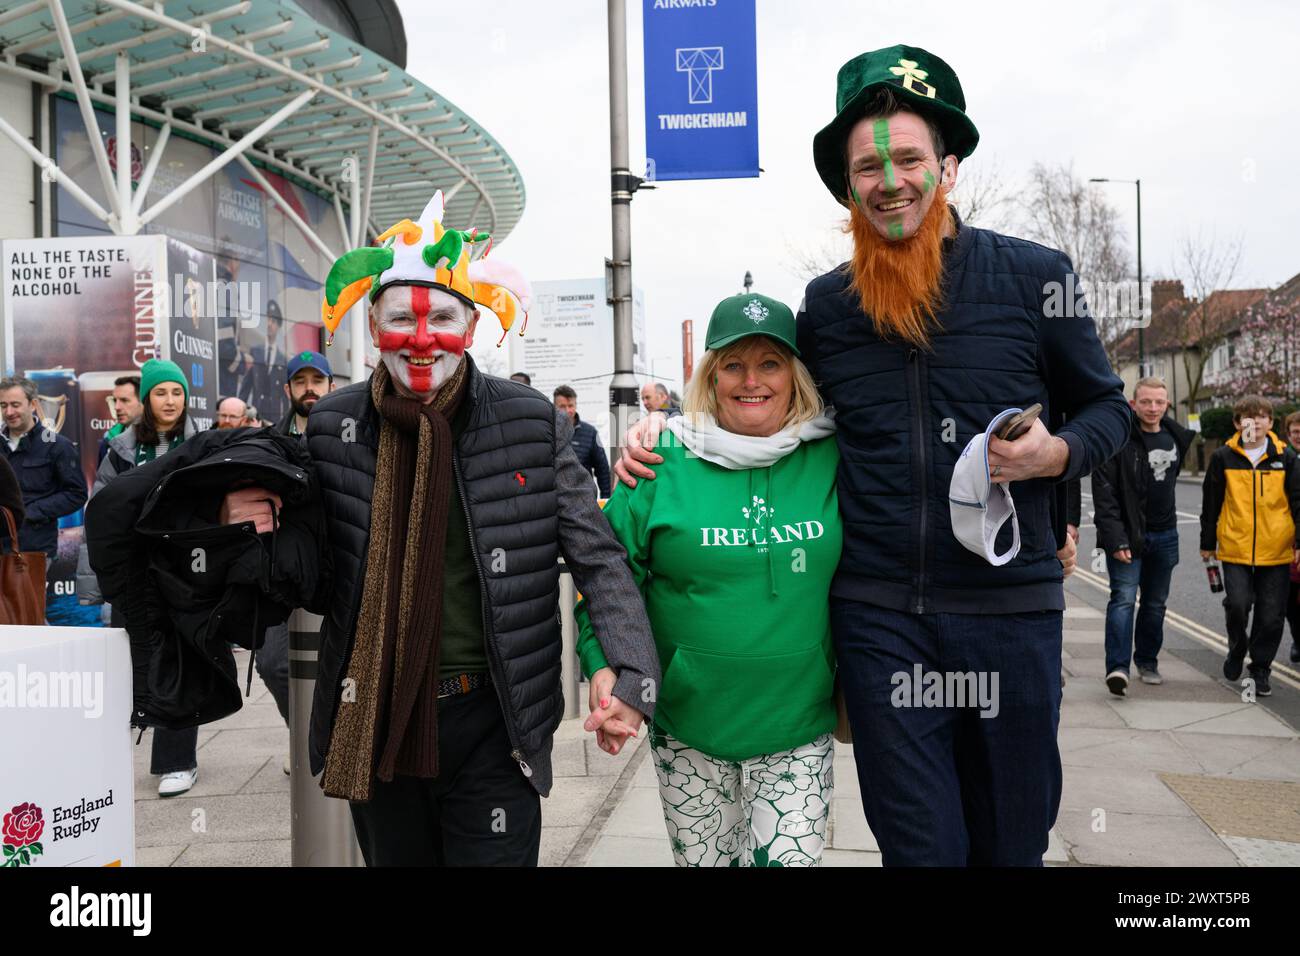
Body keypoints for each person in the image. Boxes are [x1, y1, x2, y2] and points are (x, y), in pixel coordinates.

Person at [616, 45, 1129, 866]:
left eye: (909, 158)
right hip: (882, 619)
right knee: (920, 846)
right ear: (848, 184)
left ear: (949, 166)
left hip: (1010, 614)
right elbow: (772, 415)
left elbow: (1109, 407)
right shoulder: (827, 306)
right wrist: (666, 436)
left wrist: (1057, 454)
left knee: (1012, 840)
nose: (889, 179)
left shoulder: (1035, 277)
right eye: (867, 166)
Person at [224, 191, 660, 866]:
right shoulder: (332, 429)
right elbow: (306, 577)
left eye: (442, 319)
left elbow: (599, 559)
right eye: (401, 319)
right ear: (373, 326)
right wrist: (251, 526)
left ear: (474, 326)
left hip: (495, 721)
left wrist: (629, 675)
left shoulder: (531, 422)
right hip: (378, 720)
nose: (422, 339)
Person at [580, 294, 839, 867]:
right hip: (687, 724)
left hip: (796, 724)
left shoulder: (835, 456)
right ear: (710, 375)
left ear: (794, 375)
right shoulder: (658, 459)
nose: (751, 381)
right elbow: (605, 579)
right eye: (732, 365)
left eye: (769, 363)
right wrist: (606, 668)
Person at [79, 359, 201, 795]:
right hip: (136, 571)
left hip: (188, 572)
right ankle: (112, 756)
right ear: (147, 399)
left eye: (177, 392)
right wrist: (95, 584)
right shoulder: (121, 448)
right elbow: (101, 514)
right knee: (133, 666)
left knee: (180, 665)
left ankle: (177, 761)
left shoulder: (202, 443)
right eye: (161, 392)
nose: (170, 401)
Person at [1092, 378, 1197, 696]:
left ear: (1167, 405)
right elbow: (1105, 495)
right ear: (1133, 404)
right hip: (1127, 536)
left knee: (1155, 604)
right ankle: (1117, 668)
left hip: (1165, 535)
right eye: (1146, 401)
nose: (1153, 408)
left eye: (1159, 402)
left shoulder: (1176, 437)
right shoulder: (1119, 439)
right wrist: (1116, 540)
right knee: (1123, 600)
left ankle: (1147, 661)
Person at [1200, 395, 1300, 698]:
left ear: (1271, 423)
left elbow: (1298, 503)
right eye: (1247, 416)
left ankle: (1259, 669)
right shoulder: (1222, 457)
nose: (1254, 422)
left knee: (1271, 616)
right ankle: (1237, 646)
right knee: (1239, 605)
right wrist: (1207, 545)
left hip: (1278, 550)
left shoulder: (1287, 457)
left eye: (1261, 417)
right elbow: (1211, 505)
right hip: (1235, 548)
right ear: (1236, 422)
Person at [0, 376, 86, 568]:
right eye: (3, 405)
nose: (9, 412)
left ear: (33, 404)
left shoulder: (57, 445)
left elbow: (76, 494)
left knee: (28, 600)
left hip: (33, 550)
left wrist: (32, 512)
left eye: (15, 404)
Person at [552, 385, 610, 498]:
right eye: (562, 406)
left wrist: (605, 499)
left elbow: (602, 470)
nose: (567, 410)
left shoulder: (590, 432)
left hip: (584, 498)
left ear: (576, 405)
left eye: (571, 406)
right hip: (555, 498)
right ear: (554, 406)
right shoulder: (547, 432)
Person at [277, 350, 335, 438]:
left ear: (332, 389)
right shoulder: (272, 440)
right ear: (288, 391)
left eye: (317, 381)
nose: (309, 388)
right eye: (300, 382)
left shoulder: (351, 438)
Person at [98, 375, 143, 465]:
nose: (116, 407)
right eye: (115, 400)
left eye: (124, 400)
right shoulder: (109, 438)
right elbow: (103, 478)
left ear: (143, 401)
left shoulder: (161, 436)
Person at [1286, 411, 1300, 664]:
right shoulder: (1284, 459)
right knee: (1290, 598)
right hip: (1286, 539)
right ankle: (1298, 639)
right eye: (1296, 432)